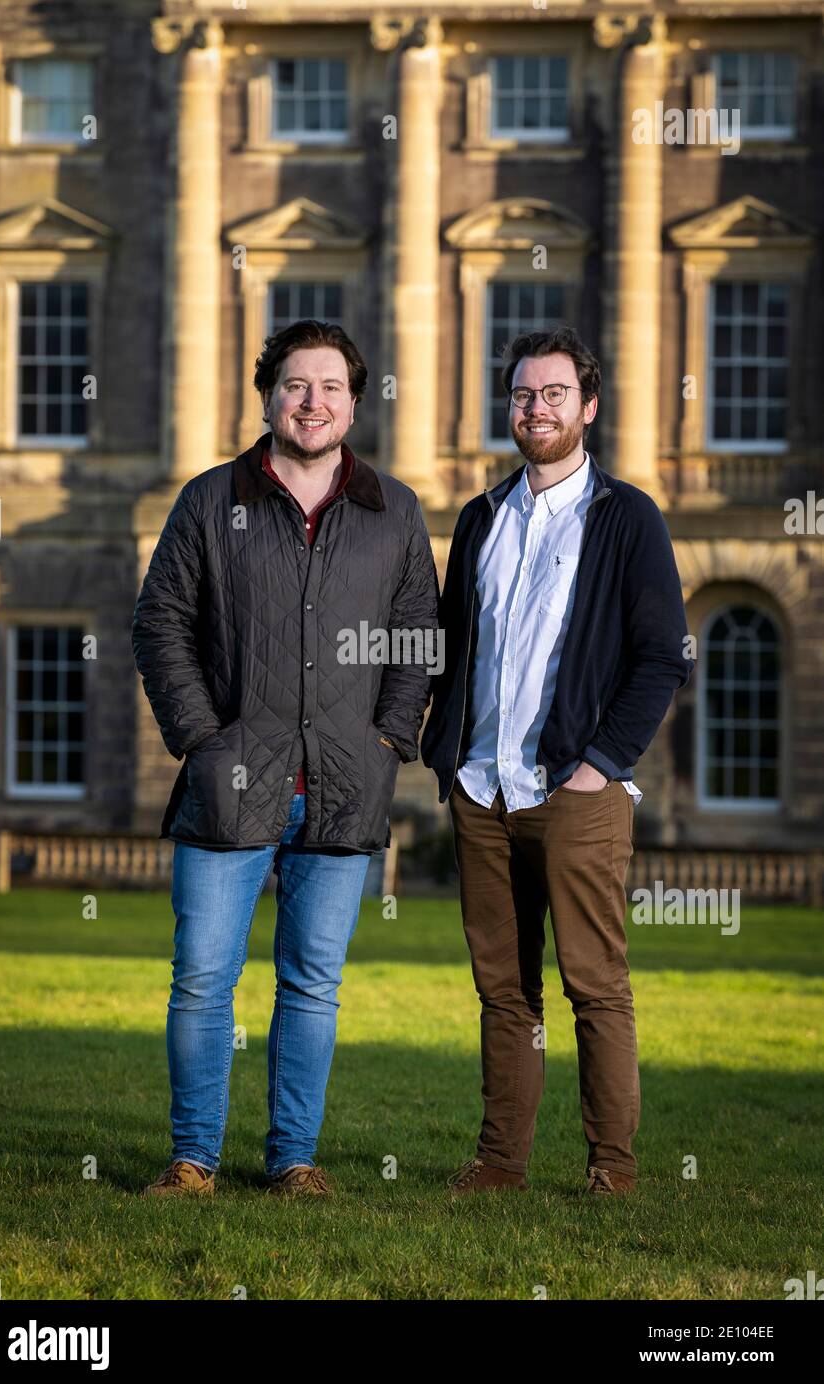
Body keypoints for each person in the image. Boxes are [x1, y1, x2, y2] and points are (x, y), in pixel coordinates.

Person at [132, 319, 438, 1198]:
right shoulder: (208, 499)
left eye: (331, 387)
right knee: (201, 983)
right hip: (229, 785)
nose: (313, 402)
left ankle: (293, 1161)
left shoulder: (395, 511)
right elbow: (161, 625)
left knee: (312, 987)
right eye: (296, 385)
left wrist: (390, 740)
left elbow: (419, 636)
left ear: (354, 400)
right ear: (268, 395)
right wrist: (200, 737)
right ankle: (194, 1162)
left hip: (345, 787)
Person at [420, 326, 693, 1197]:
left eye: (555, 395)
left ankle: (611, 1167)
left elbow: (663, 656)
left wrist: (601, 760)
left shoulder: (627, 518)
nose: (537, 409)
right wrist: (444, 755)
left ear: (589, 406)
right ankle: (500, 1163)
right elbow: (453, 648)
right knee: (504, 993)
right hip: (482, 788)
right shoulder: (480, 519)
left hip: (577, 791)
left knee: (594, 987)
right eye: (524, 395)